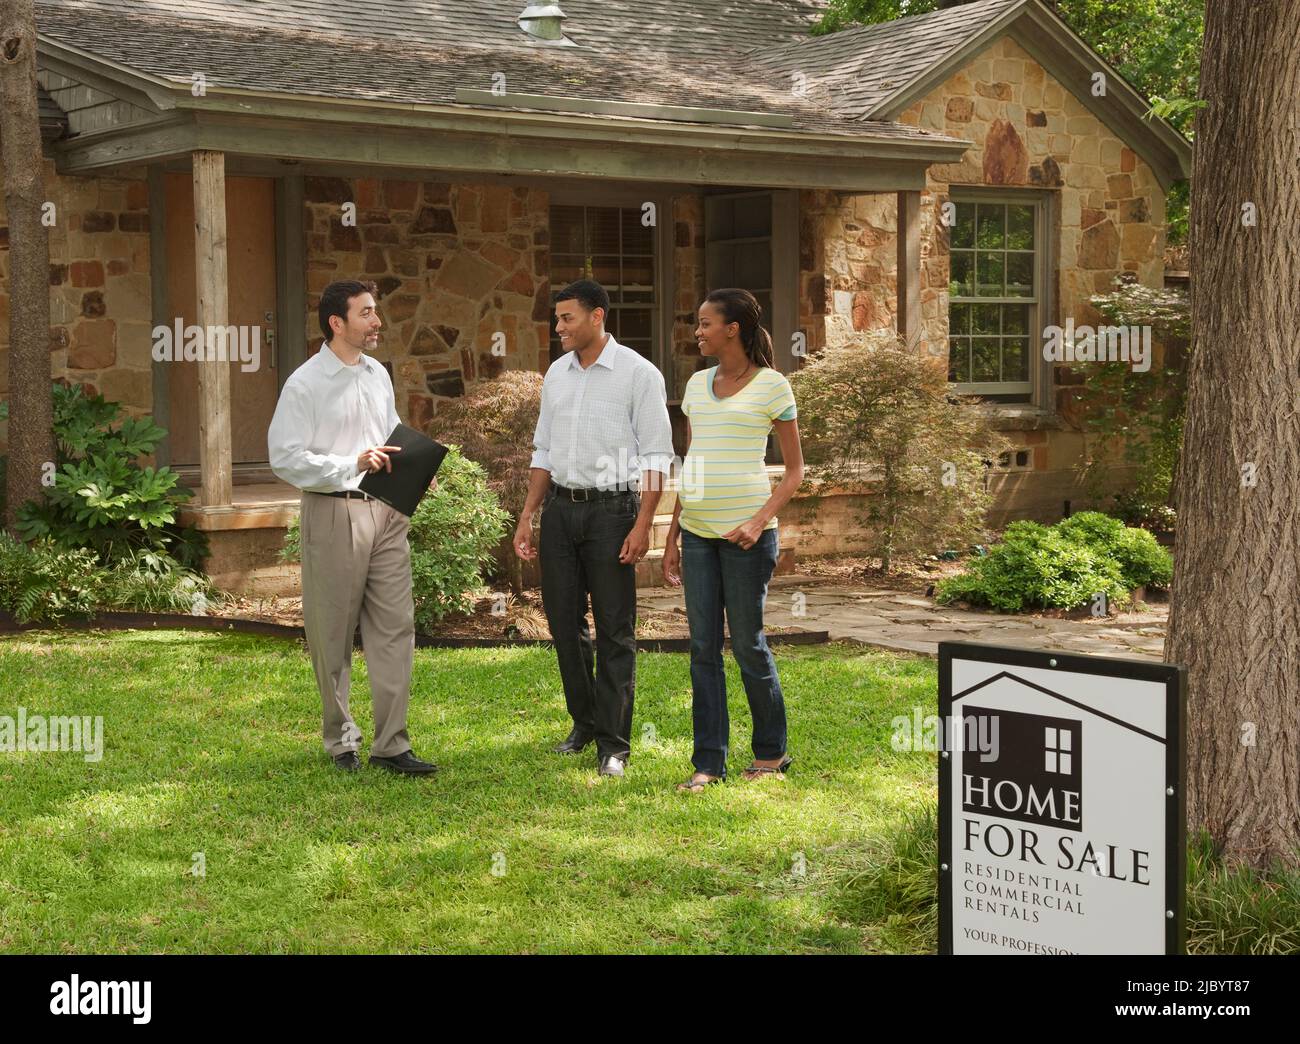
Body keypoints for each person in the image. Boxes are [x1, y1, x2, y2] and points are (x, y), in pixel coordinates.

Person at [268, 279, 437, 776]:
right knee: (333, 632)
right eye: (366, 314)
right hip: (334, 511)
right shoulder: (304, 383)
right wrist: (351, 463)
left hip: (386, 512)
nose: (376, 321)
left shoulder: (378, 375)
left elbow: (387, 432)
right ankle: (342, 742)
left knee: (394, 628)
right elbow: (285, 457)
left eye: (376, 312)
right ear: (336, 323)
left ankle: (392, 745)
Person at [513, 279, 673, 778]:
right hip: (561, 510)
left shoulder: (638, 375)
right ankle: (584, 723)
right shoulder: (556, 375)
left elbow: (656, 455)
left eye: (566, 318)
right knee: (563, 624)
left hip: (613, 512)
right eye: (556, 318)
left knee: (615, 629)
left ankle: (614, 744)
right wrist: (528, 514)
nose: (557, 327)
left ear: (597, 316)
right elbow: (544, 450)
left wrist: (643, 522)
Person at [662, 288, 805, 792]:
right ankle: (708, 763)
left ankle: (770, 752)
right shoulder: (698, 385)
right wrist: (674, 534)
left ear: (733, 328)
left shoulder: (773, 386)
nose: (697, 332)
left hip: (748, 539)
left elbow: (794, 472)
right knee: (702, 647)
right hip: (699, 535)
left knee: (747, 644)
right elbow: (692, 463)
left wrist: (757, 520)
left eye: (705, 324)